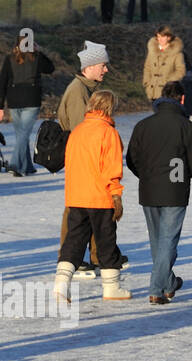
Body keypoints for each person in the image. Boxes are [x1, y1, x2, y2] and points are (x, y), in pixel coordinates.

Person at [126, 81, 192, 305]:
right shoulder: (187, 127)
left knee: (158, 241)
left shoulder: (142, 126)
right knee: (167, 242)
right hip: (175, 191)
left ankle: (168, 284)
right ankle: (157, 288)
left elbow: (131, 159)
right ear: (182, 99)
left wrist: (146, 176)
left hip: (149, 190)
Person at [54, 91, 130, 304]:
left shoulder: (77, 131)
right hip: (100, 197)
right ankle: (111, 288)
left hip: (76, 197)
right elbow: (112, 169)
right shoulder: (108, 133)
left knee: (73, 241)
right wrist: (116, 196)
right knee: (106, 243)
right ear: (109, 107)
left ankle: (61, 286)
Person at [59, 42, 111, 277]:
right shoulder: (79, 92)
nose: (106, 70)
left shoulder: (87, 88)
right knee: (77, 208)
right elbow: (84, 132)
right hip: (82, 160)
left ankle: (93, 255)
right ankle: (71, 257)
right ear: (90, 67)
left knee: (89, 205)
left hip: (84, 158)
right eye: (103, 65)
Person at [0, 32, 55, 178]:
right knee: (23, 134)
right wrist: (39, 51)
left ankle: (25, 166)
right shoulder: (36, 58)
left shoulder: (10, 59)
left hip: (14, 100)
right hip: (31, 99)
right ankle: (18, 165)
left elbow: (2, 83)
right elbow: (51, 68)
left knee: (22, 134)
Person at [142, 26, 185, 107]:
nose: (160, 39)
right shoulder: (152, 51)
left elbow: (180, 71)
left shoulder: (177, 54)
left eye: (163, 36)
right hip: (153, 90)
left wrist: (167, 82)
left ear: (169, 37)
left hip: (168, 92)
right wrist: (147, 82)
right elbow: (147, 67)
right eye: (158, 36)